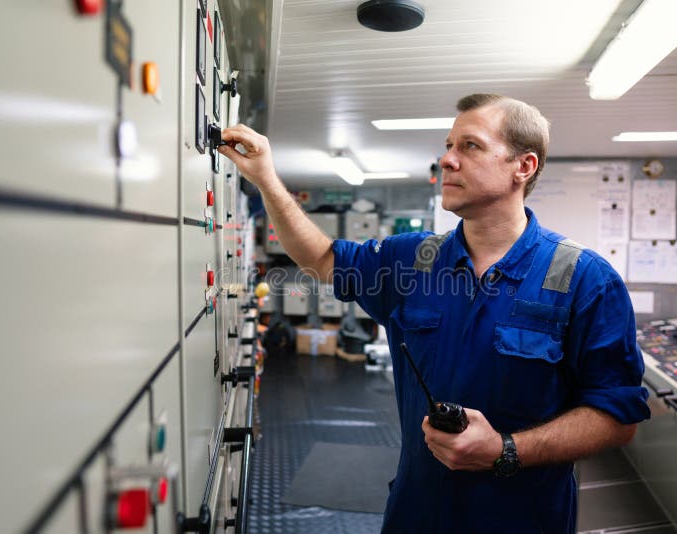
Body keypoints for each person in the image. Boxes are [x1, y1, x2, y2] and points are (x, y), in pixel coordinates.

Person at [218, 93, 650, 533]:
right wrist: (266, 179)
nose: (446, 160)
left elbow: (617, 417)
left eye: (470, 146)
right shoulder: (414, 259)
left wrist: (505, 449)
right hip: (416, 514)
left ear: (524, 166)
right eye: (448, 145)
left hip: (523, 521)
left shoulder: (586, 280)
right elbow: (323, 258)